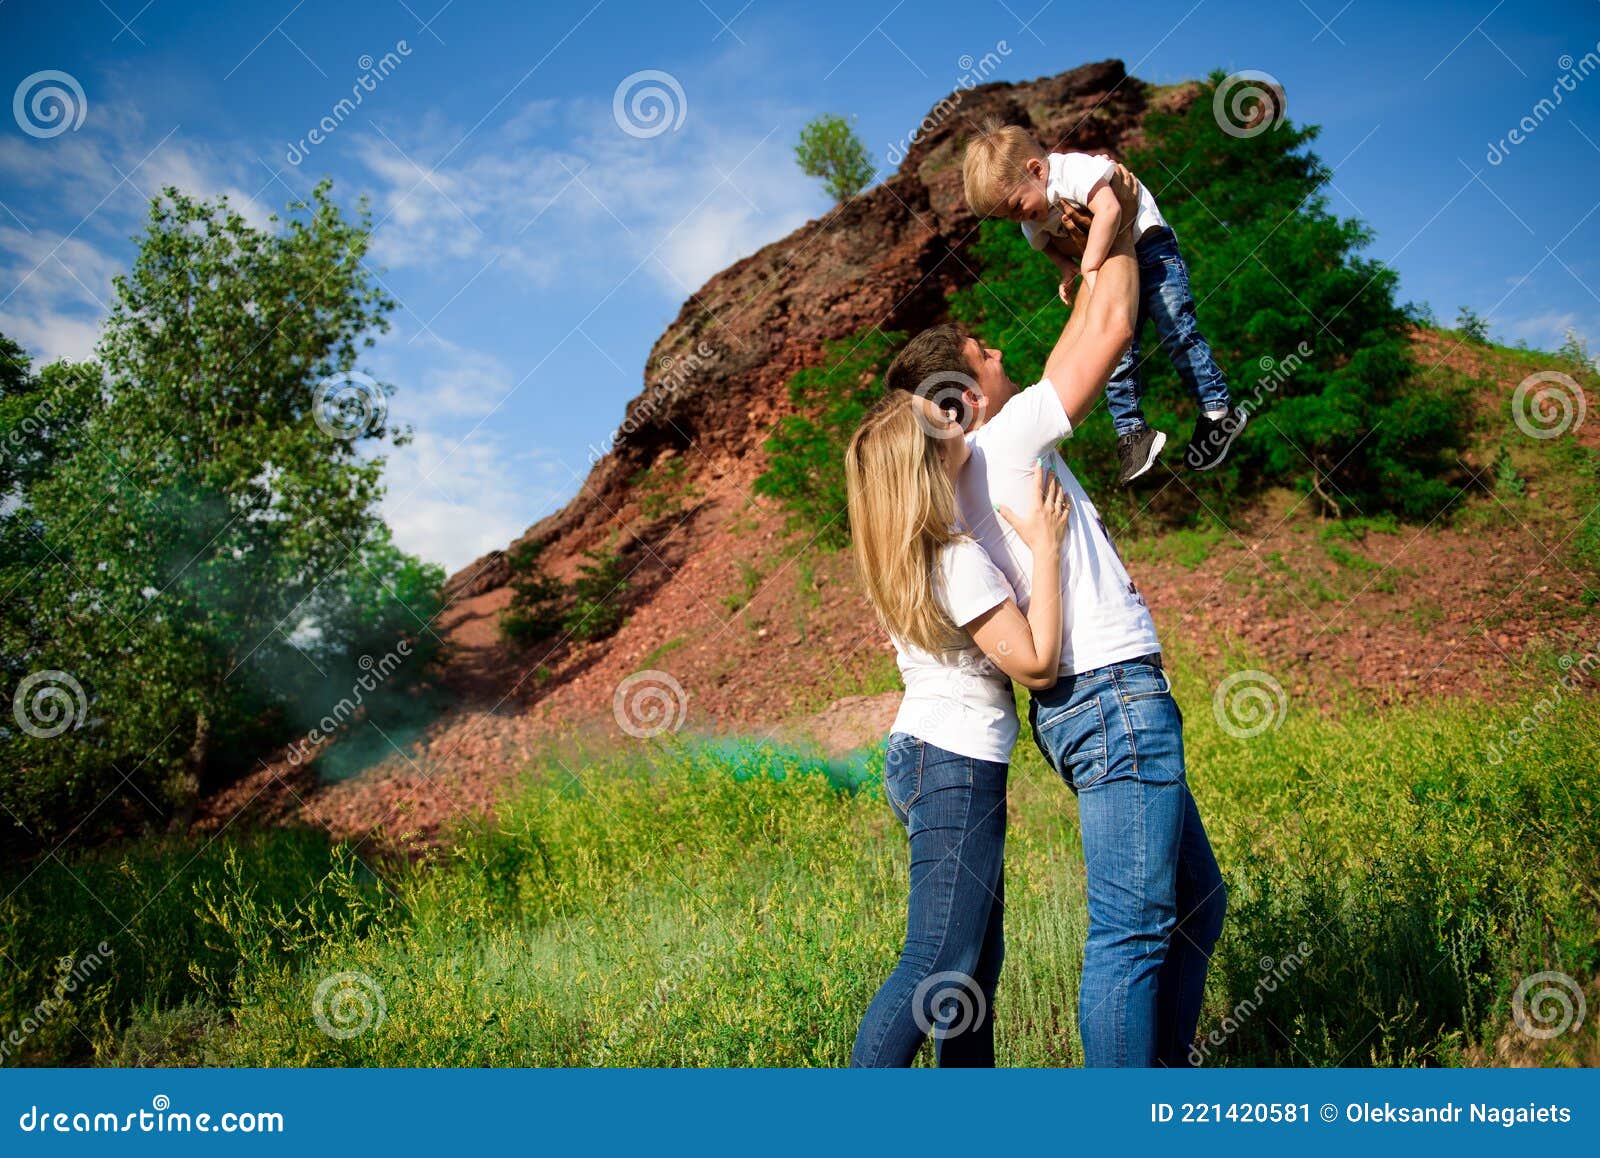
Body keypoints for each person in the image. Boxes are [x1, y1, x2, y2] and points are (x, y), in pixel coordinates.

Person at [884, 166, 1227, 1066]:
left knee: (1194, 902)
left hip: (1093, 703)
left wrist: (1087, 251)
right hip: (1110, 696)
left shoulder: (966, 472)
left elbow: (1083, 332)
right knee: (1133, 933)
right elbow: (1111, 326)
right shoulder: (1003, 444)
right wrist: (1121, 221)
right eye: (986, 349)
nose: (1002, 354)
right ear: (961, 392)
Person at [845, 388, 1069, 1067]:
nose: (959, 422)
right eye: (945, 423)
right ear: (930, 461)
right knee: (939, 960)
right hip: (954, 763)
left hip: (924, 757)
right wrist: (1046, 549)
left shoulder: (907, 561)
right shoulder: (956, 558)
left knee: (968, 975)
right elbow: (1035, 666)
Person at [962, 118, 1248, 486]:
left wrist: (1089, 263)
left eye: (1017, 206)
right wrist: (1067, 271)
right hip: (1108, 262)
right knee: (1114, 349)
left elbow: (1112, 210)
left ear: (1036, 169)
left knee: (1177, 330)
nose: (1019, 218)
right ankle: (1132, 433)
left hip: (1150, 248)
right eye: (1008, 216)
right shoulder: (1031, 214)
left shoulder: (1072, 170)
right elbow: (1048, 246)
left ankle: (1216, 410)